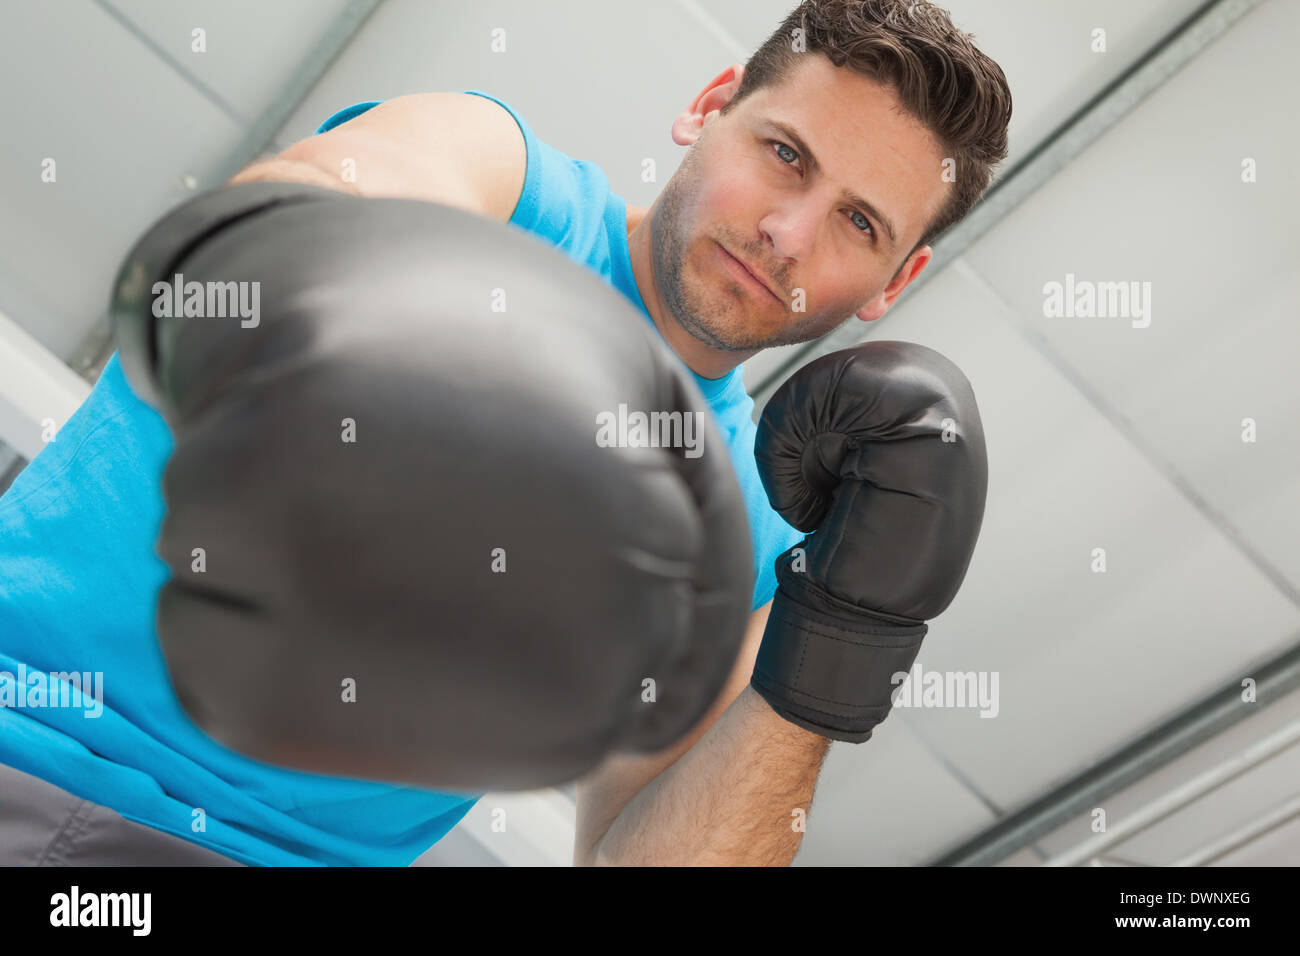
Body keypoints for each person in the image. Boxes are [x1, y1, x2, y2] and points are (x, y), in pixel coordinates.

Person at [0, 0, 1011, 866]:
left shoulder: (756, 546)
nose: (787, 234)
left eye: (858, 224)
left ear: (895, 283)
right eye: (784, 155)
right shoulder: (497, 173)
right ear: (708, 108)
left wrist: (844, 645)